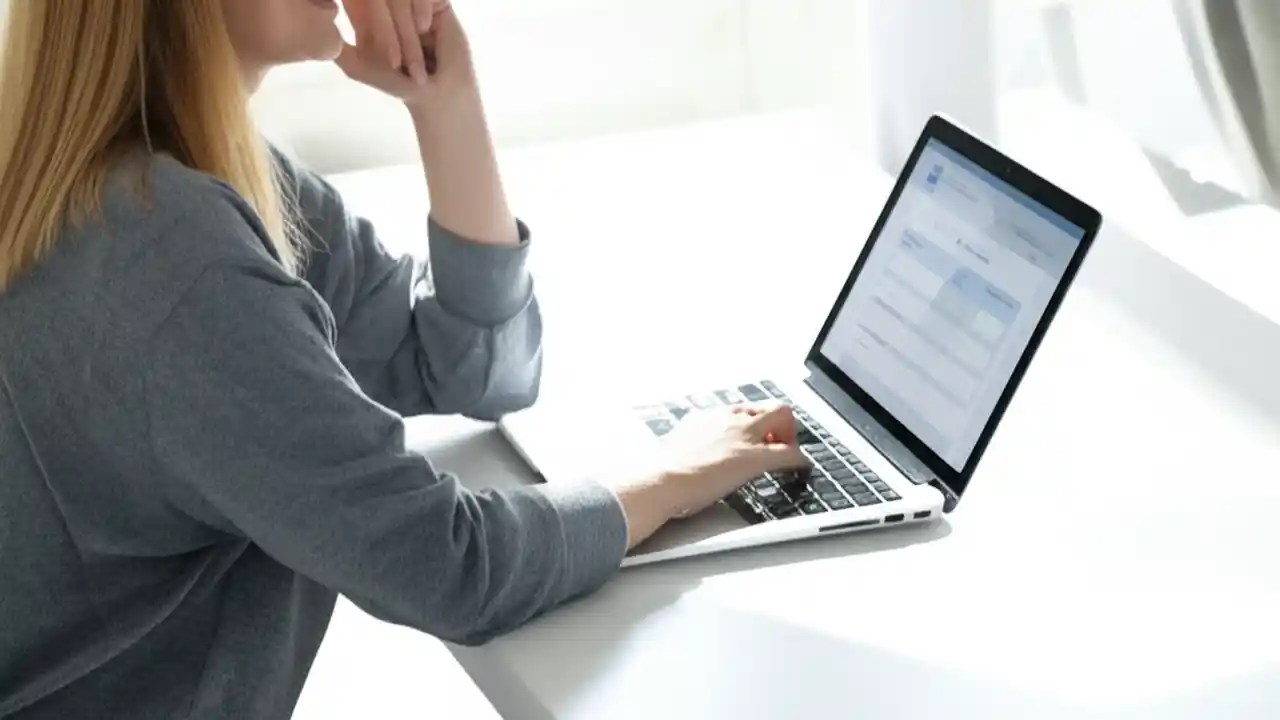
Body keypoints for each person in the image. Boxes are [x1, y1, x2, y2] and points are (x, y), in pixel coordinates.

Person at [0, 1, 807, 717]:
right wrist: (674, 476)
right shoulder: (174, 257)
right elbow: (449, 568)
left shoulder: (161, 173)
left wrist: (444, 102)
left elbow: (477, 368)